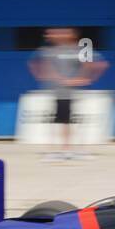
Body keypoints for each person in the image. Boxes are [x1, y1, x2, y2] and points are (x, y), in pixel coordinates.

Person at [27, 26, 107, 161]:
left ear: (72, 35)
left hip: (75, 92)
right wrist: (47, 76)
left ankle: (73, 150)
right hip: (58, 92)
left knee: (73, 122)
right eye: (53, 33)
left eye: (61, 33)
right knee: (60, 122)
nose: (54, 35)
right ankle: (58, 150)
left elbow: (99, 64)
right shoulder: (49, 51)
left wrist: (83, 78)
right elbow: (35, 64)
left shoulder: (79, 50)